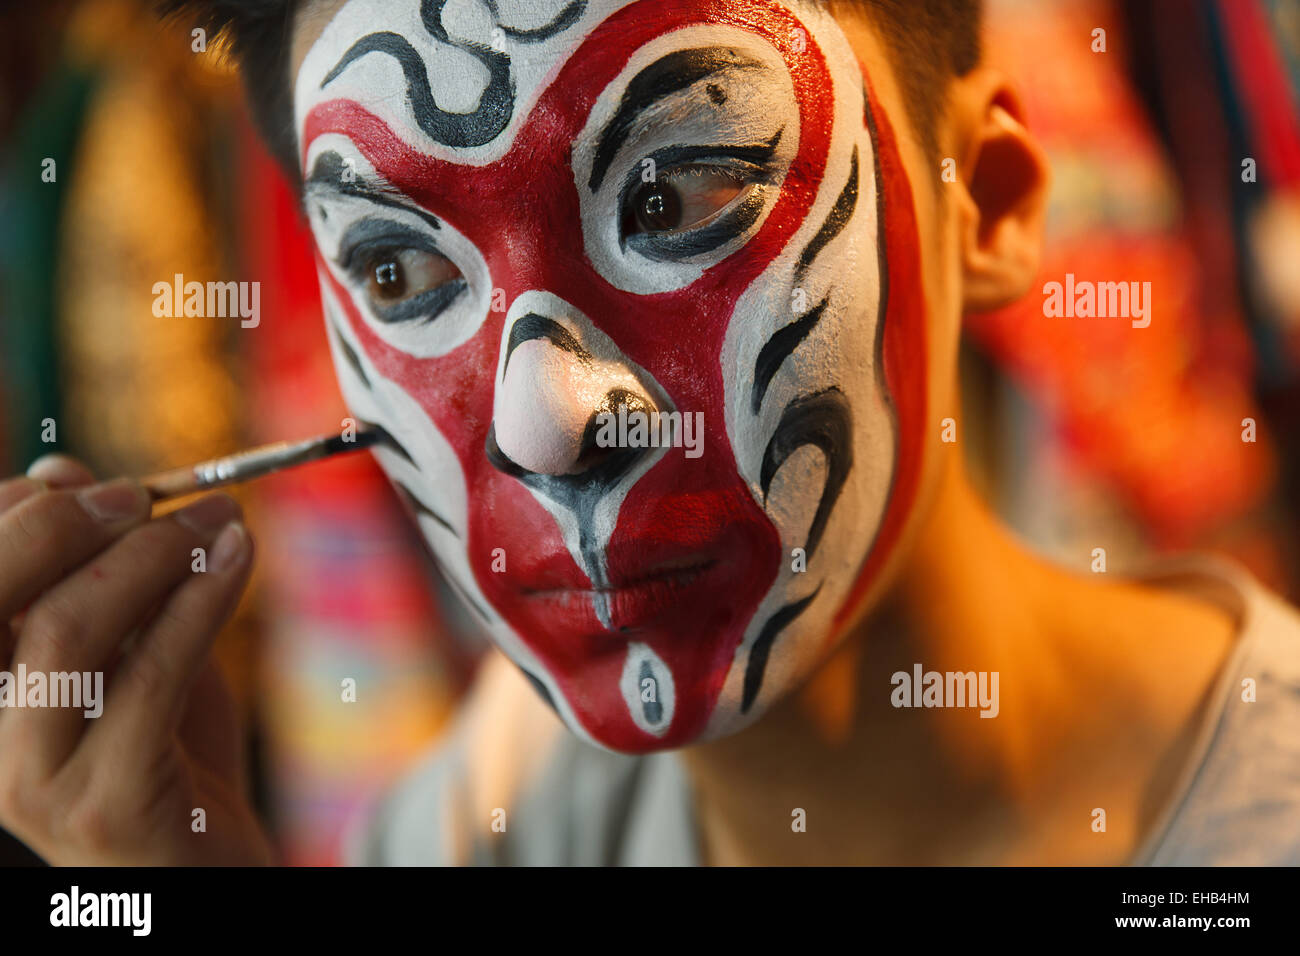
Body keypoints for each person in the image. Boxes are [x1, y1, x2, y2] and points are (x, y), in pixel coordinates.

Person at [2, 0, 1297, 866]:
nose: (543, 426)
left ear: (994, 208)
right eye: (398, 274)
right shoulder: (482, 814)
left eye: (677, 195)